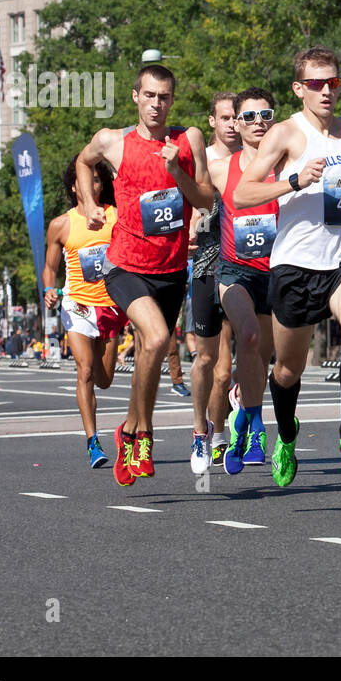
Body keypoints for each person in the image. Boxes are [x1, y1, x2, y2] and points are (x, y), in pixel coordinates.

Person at [233, 47, 341, 482]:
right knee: (287, 368)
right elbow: (242, 194)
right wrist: (294, 180)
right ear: (299, 89)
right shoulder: (285, 134)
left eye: (332, 82)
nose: (326, 91)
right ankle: (287, 436)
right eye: (315, 83)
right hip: (295, 263)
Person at [77, 62, 213, 486]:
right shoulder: (112, 142)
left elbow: (206, 199)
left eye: (165, 97)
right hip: (124, 265)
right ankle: (145, 434)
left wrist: (177, 171)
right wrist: (88, 205)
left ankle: (130, 429)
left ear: (173, 100)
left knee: (150, 356)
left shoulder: (189, 140)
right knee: (156, 339)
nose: (157, 104)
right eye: (149, 95)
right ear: (136, 96)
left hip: (171, 270)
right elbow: (83, 163)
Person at [209, 87, 279, 478]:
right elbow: (192, 194)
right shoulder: (222, 168)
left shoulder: (288, 164)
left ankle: (250, 421)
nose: (258, 123)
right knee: (247, 337)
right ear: (235, 122)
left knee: (265, 360)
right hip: (235, 269)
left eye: (265, 114)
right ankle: (244, 427)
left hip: (278, 271)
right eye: (249, 116)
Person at [43, 158, 125, 468]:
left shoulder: (116, 217)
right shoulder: (61, 224)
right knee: (86, 370)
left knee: (104, 380)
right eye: (84, 180)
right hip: (75, 304)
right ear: (73, 186)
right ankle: (93, 441)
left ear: (102, 186)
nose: (90, 185)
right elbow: (50, 269)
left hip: (110, 305)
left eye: (96, 180)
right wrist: (49, 290)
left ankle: (113, 434)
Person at [187, 92, 240, 468]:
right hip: (206, 269)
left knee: (226, 369)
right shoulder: (199, 161)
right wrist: (189, 226)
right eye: (225, 117)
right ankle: (200, 433)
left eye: (238, 117)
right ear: (212, 122)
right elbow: (184, 205)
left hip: (243, 269)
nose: (233, 124)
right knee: (208, 362)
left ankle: (222, 432)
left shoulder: (256, 159)